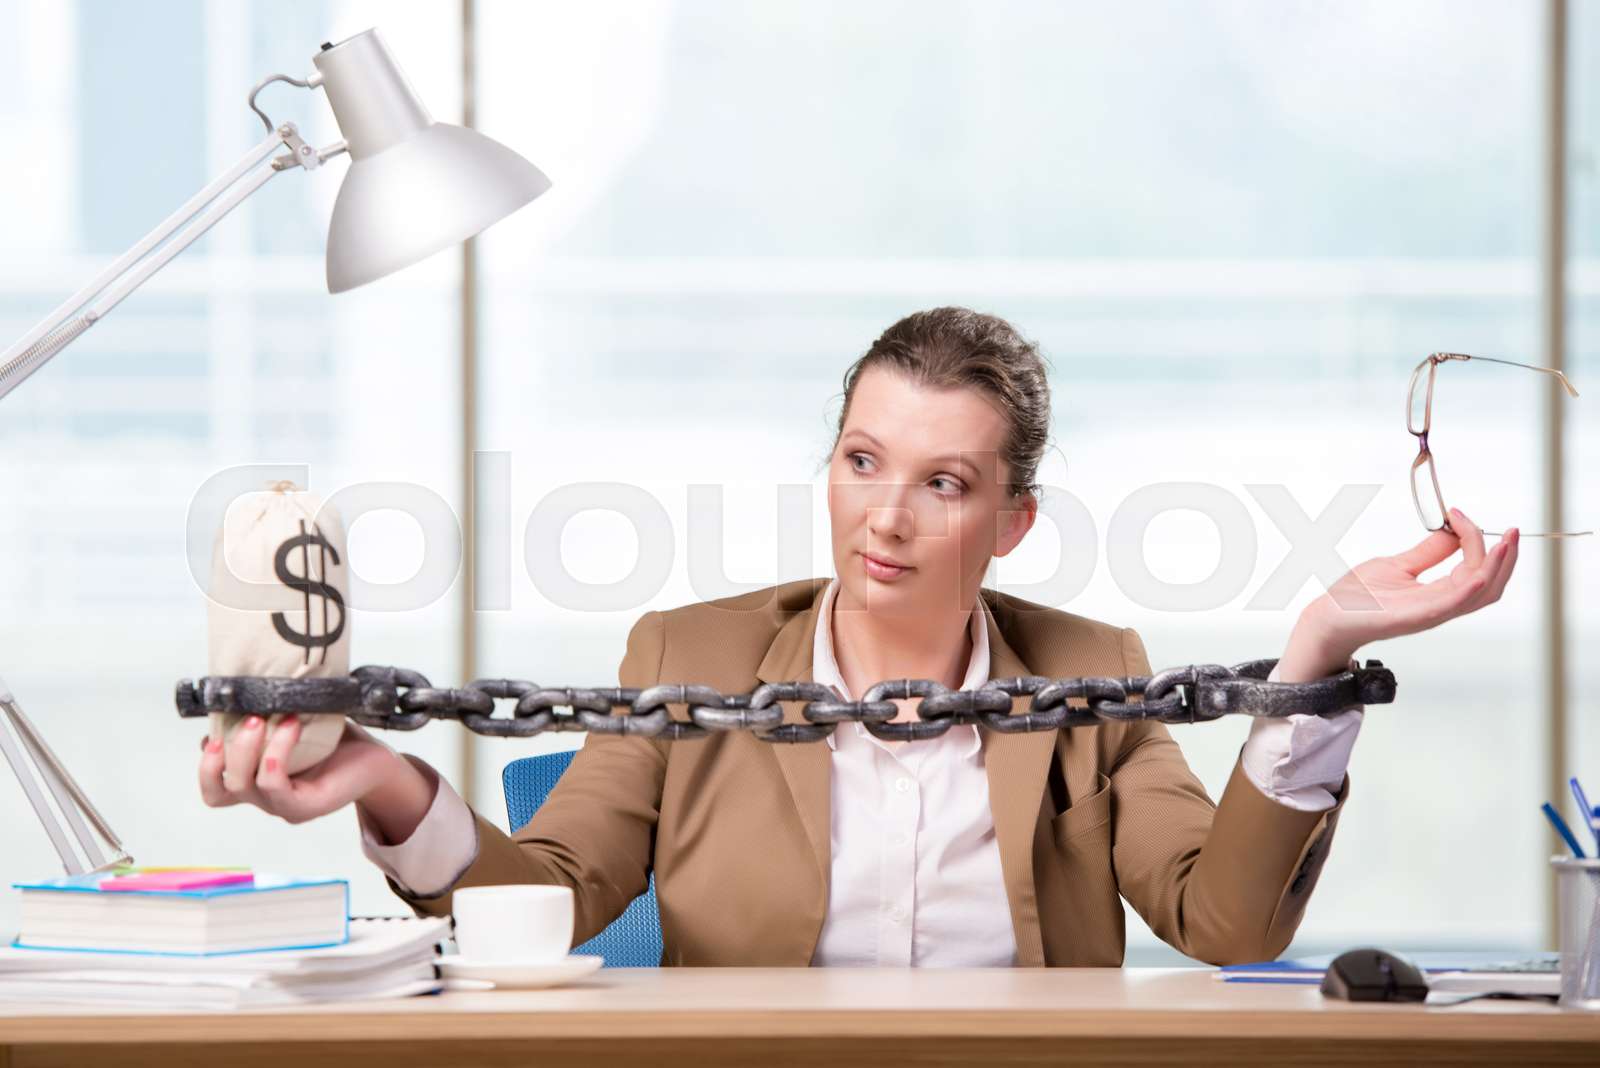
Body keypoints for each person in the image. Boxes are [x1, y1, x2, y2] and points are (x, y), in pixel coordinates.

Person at [198, 307, 1518, 966]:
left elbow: (1227, 923)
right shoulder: (689, 658)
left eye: (943, 484)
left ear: (1011, 521)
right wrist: (381, 776)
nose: (883, 517)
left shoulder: (1093, 667)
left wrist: (1319, 650)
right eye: (861, 458)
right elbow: (535, 907)